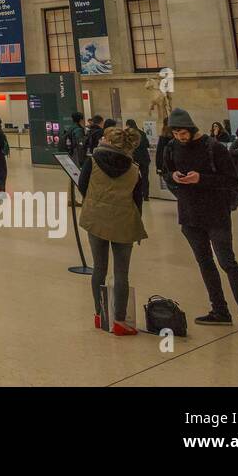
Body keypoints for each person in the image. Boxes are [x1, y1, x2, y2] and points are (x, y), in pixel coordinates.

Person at [165, 107, 238, 341]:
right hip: (189, 214)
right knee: (204, 262)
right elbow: (167, 173)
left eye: (182, 133)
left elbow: (231, 180)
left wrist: (202, 179)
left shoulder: (214, 147)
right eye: (176, 133)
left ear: (191, 128)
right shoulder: (172, 148)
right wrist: (174, 178)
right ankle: (219, 310)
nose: (180, 137)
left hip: (216, 214)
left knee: (228, 262)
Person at [77, 126, 146, 335]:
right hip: (123, 222)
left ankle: (99, 314)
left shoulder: (93, 161)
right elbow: (137, 199)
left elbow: (82, 185)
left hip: (96, 218)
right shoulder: (134, 169)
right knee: (121, 273)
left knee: (99, 268)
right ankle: (119, 320)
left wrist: (96, 200)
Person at [124, 118, 152, 206]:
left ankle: (135, 194)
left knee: (133, 177)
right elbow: (147, 144)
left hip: (134, 158)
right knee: (145, 176)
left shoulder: (127, 134)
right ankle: (146, 195)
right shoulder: (142, 133)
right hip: (144, 158)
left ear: (128, 125)